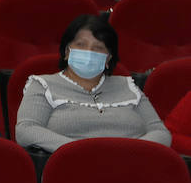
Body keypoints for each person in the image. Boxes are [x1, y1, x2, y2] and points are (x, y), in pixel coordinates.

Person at [16, 15, 171, 151]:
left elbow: (160, 132)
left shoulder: (128, 86)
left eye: (98, 48)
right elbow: (26, 130)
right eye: (81, 45)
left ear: (108, 59)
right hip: (73, 166)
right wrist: (83, 151)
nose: (89, 52)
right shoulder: (43, 84)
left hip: (133, 166)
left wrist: (130, 152)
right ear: (66, 51)